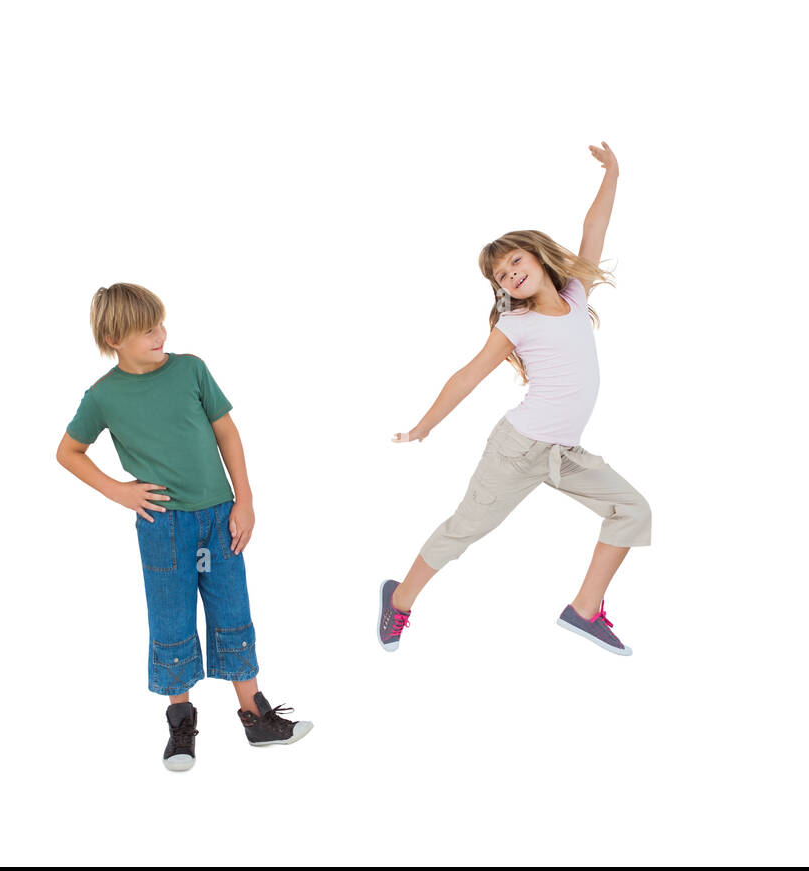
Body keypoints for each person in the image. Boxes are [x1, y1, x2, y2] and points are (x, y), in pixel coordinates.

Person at [378, 142, 651, 656]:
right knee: (465, 530)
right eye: (501, 275)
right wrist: (423, 426)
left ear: (538, 256)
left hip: (565, 455)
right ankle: (399, 600)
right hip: (517, 451)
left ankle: (583, 610)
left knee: (633, 510)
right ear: (504, 291)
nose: (510, 274)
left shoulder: (574, 295)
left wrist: (612, 173)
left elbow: (595, 228)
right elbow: (467, 376)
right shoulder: (514, 323)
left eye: (515, 261)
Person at [57, 283, 311, 772]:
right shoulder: (103, 396)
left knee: (232, 609)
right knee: (171, 619)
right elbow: (68, 452)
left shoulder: (191, 368)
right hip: (163, 526)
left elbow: (226, 431)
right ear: (115, 338)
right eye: (147, 329)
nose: (161, 334)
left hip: (220, 516)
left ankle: (255, 715)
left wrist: (246, 500)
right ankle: (180, 722)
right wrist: (119, 490)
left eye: (161, 323)